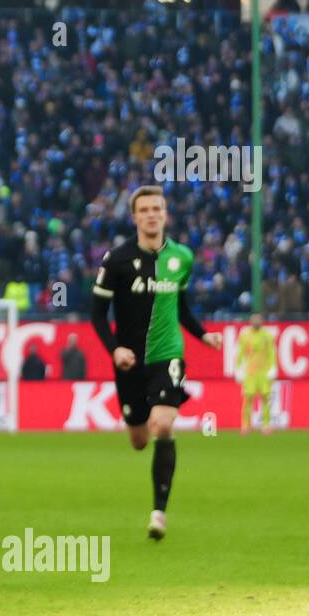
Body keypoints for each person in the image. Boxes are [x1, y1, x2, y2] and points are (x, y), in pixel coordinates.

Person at [90, 186, 222, 541]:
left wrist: (202, 334)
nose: (151, 214)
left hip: (168, 354)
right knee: (138, 438)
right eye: (144, 209)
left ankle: (158, 512)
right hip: (129, 362)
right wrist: (115, 350)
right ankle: (145, 427)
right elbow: (97, 314)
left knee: (163, 424)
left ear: (165, 214)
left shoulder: (182, 257)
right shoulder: (116, 260)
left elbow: (180, 305)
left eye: (157, 208)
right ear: (134, 217)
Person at [236, 313, 276, 435]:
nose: (256, 321)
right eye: (254, 319)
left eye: (259, 319)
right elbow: (240, 353)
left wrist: (273, 368)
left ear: (262, 320)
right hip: (250, 372)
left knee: (265, 399)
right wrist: (238, 369)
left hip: (264, 372)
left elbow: (271, 352)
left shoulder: (267, 335)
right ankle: (245, 425)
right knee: (248, 399)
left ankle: (266, 425)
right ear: (250, 320)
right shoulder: (244, 335)